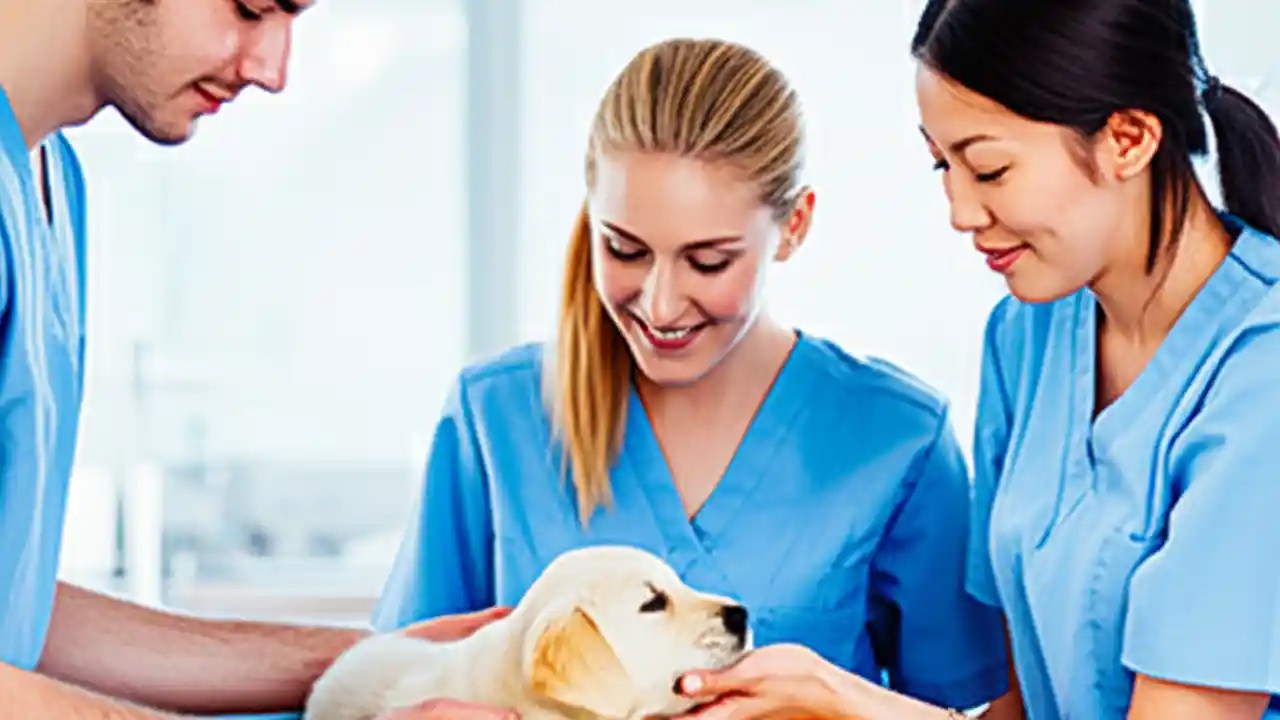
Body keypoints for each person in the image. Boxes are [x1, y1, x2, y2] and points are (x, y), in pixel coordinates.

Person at [673, 1, 1280, 719]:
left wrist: (842, 699)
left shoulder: (1259, 377)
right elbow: (1019, 703)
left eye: (988, 170)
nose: (959, 210)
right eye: (942, 164)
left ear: (1129, 138)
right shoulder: (1028, 336)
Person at [371, 36, 1009, 715]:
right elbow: (402, 688)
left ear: (794, 226)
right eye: (625, 249)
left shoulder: (896, 438)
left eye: (707, 262)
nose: (660, 304)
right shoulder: (494, 420)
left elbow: (967, 710)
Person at [0, 1, 513, 718]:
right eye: (251, 7)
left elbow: (16, 611)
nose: (272, 70)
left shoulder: (49, 179)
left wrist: (374, 665)